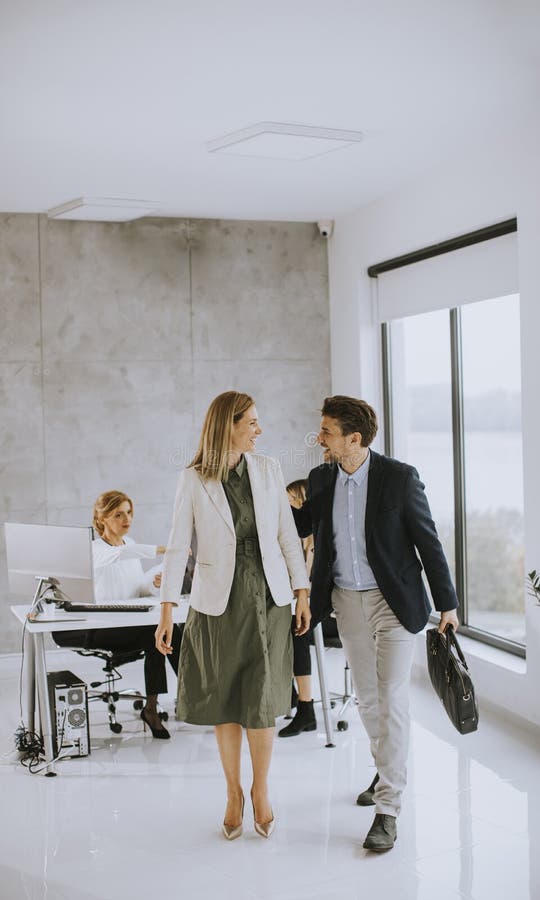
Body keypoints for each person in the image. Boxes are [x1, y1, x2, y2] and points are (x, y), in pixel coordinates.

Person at [292, 395, 459, 852]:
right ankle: (385, 769)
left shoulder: (399, 478)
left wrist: (448, 603)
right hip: (346, 602)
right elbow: (300, 524)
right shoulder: (321, 478)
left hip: (394, 603)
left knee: (392, 698)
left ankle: (388, 807)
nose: (318, 438)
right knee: (368, 701)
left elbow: (429, 542)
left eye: (326, 431)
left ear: (354, 438)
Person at [156, 391, 311, 840]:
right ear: (229, 425)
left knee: (261, 700)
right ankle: (232, 793)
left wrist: (301, 591)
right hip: (218, 602)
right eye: (252, 423)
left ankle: (261, 789)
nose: (259, 430)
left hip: (269, 598)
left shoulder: (268, 470)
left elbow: (286, 536)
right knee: (227, 700)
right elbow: (178, 546)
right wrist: (167, 609)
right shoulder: (193, 479)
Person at [53, 490, 184, 739]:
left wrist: (154, 582)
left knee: (164, 631)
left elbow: (136, 588)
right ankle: (182, 700)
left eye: (129, 512)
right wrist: (162, 550)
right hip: (101, 628)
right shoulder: (94, 549)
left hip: (129, 623)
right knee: (154, 633)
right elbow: (118, 556)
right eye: (118, 514)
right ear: (102, 519)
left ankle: (160, 705)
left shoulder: (131, 544)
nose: (127, 519)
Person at [277, 479, 316, 738]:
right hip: (303, 609)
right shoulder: (298, 544)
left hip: (330, 615)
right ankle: (288, 693)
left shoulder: (317, 541)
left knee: (296, 631)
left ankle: (306, 706)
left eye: (290, 500)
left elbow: (313, 585)